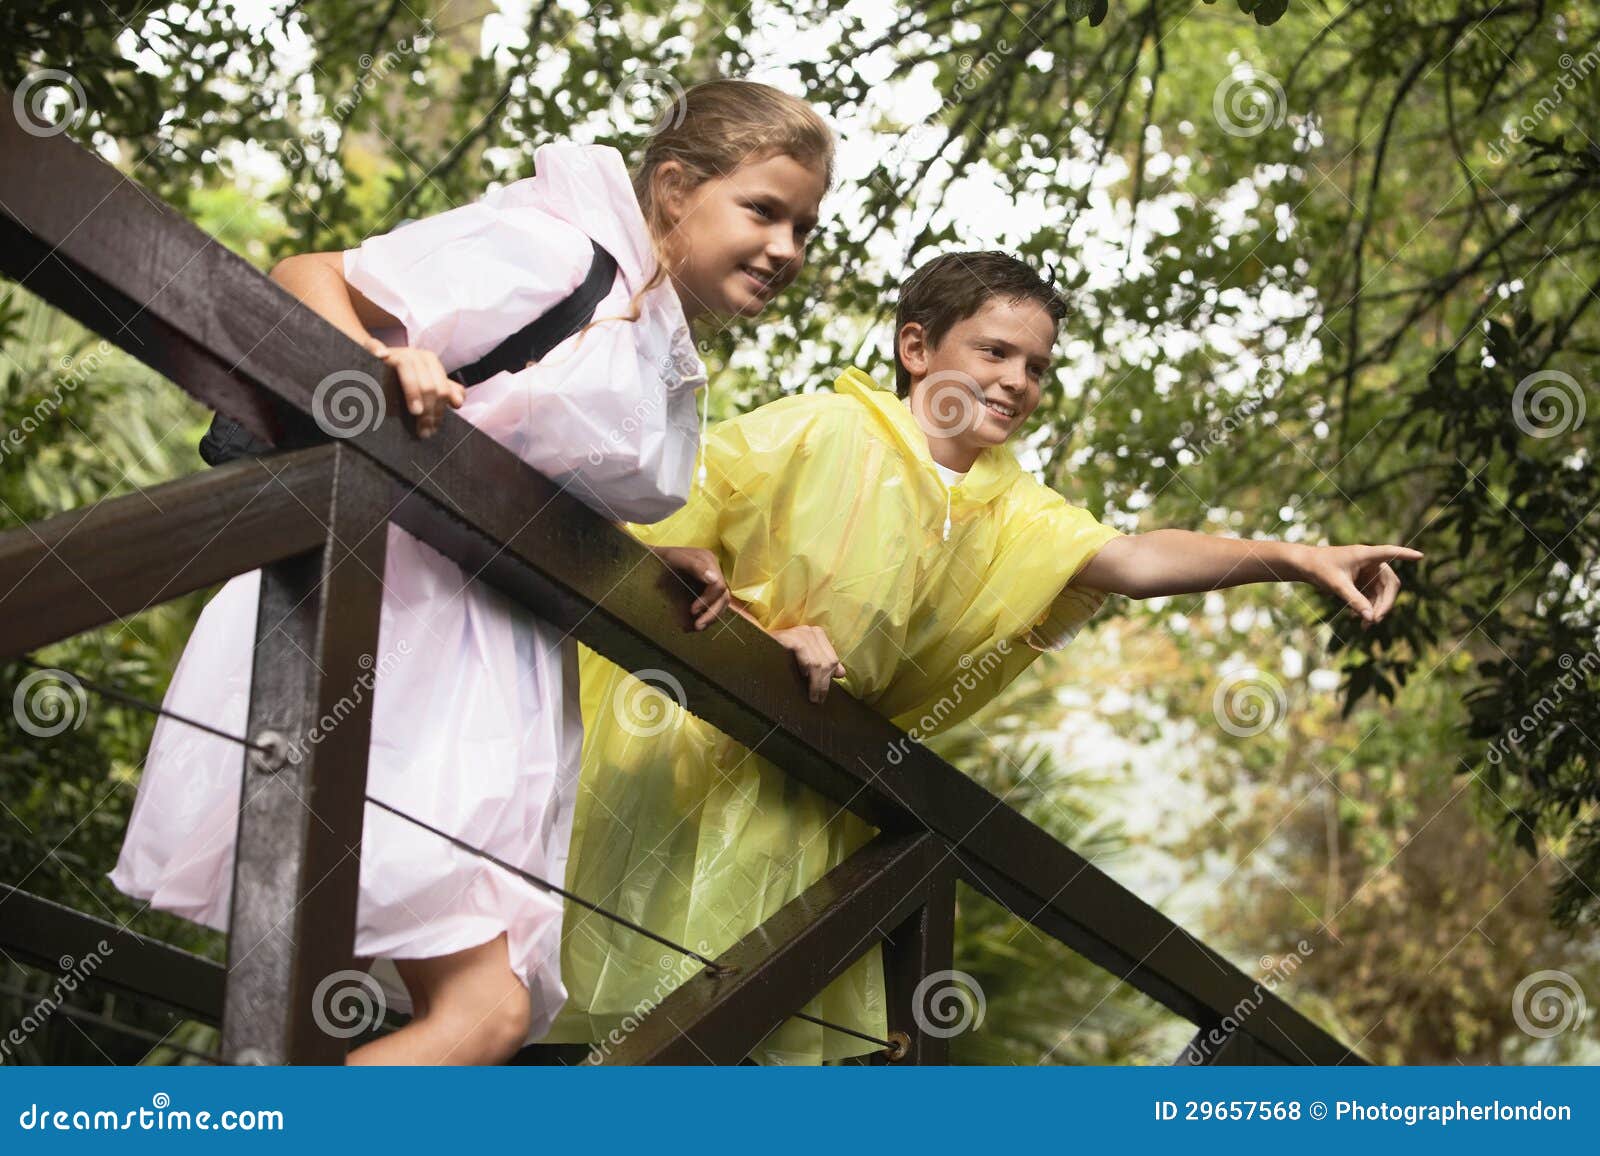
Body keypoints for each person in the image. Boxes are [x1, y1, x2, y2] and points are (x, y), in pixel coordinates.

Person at [109, 79, 834, 1065]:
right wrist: (376, 356)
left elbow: (522, 471)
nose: (787, 248)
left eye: (804, 225)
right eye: (764, 209)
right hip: (389, 625)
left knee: (471, 1010)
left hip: (493, 674)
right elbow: (305, 274)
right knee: (480, 1011)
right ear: (673, 187)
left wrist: (641, 561)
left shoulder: (648, 329)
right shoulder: (561, 252)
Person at [545, 250, 1421, 1063]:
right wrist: (753, 633)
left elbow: (1137, 558)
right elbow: (653, 533)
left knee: (748, 1049)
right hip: (678, 766)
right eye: (997, 351)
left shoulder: (1016, 510)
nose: (1017, 381)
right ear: (916, 346)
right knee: (619, 1023)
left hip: (811, 806)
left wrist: (1298, 558)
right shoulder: (815, 429)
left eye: (1037, 367)